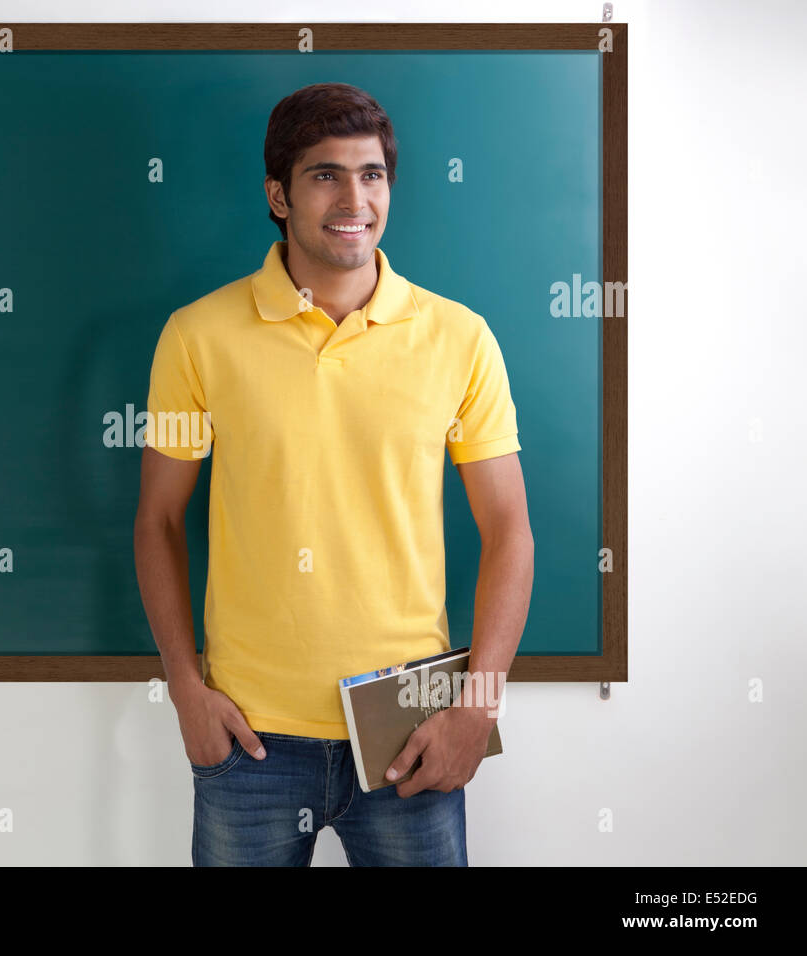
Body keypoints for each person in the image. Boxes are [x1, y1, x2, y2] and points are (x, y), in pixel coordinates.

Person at [133, 83, 535, 866]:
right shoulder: (196, 338)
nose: (355, 198)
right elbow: (158, 520)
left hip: (411, 723)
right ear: (277, 195)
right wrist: (186, 689)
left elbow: (509, 528)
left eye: (373, 174)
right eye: (325, 175)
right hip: (248, 733)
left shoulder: (461, 339)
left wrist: (474, 708)